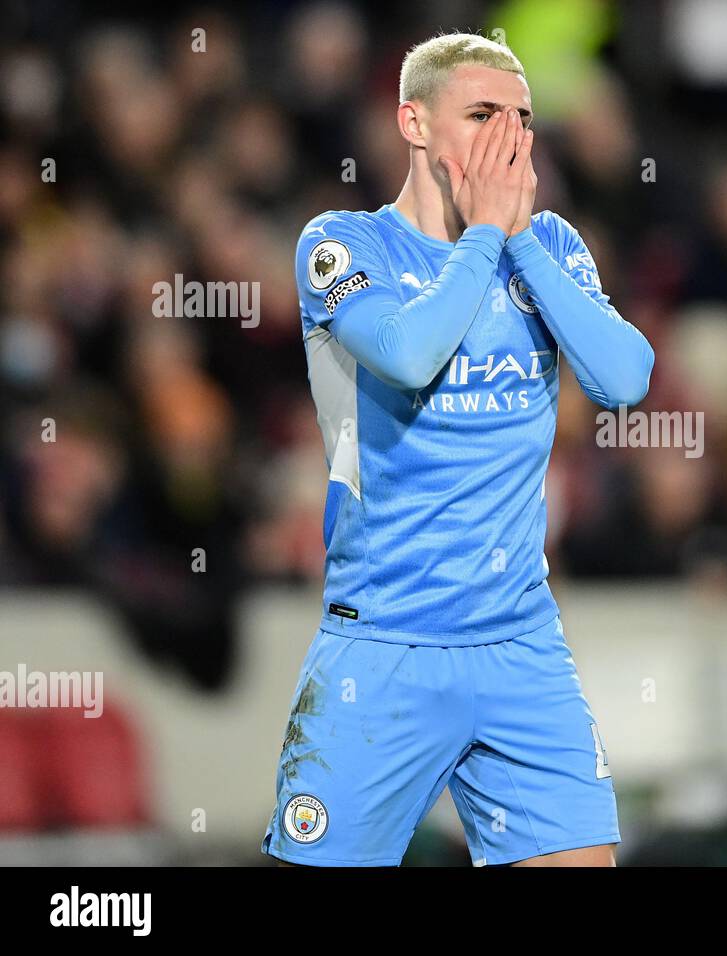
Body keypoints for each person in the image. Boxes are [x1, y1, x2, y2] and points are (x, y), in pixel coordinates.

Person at [260, 32, 653, 867]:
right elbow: (407, 353)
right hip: (384, 646)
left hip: (521, 644)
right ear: (413, 123)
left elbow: (625, 378)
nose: (508, 138)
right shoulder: (344, 245)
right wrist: (482, 237)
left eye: (522, 119)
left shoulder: (548, 246)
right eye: (481, 114)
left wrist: (512, 240)